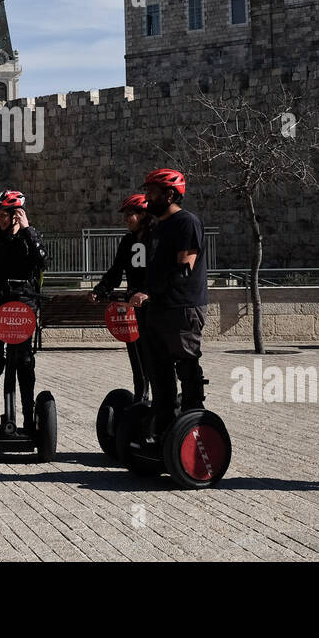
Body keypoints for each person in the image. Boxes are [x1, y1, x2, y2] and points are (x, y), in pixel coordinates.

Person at [129, 169, 208, 437]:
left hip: (182, 308)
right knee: (158, 371)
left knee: (186, 366)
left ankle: (193, 427)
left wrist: (151, 293)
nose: (146, 197)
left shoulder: (187, 222)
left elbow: (184, 267)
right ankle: (164, 432)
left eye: (151, 192)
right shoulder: (156, 227)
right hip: (158, 309)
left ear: (169, 194)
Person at [0, 190, 49, 435]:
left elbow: (43, 262)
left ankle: (27, 417)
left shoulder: (31, 236)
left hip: (23, 306)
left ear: (17, 215)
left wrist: (27, 230)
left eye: (4, 215)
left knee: (24, 362)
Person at [89, 193, 154, 398]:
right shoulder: (128, 242)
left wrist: (149, 292)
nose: (126, 219)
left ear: (143, 214)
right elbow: (116, 271)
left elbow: (166, 273)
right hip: (135, 306)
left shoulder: (159, 239)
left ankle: (164, 403)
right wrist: (100, 290)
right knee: (137, 358)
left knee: (157, 358)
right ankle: (140, 398)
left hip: (157, 305)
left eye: (130, 215)